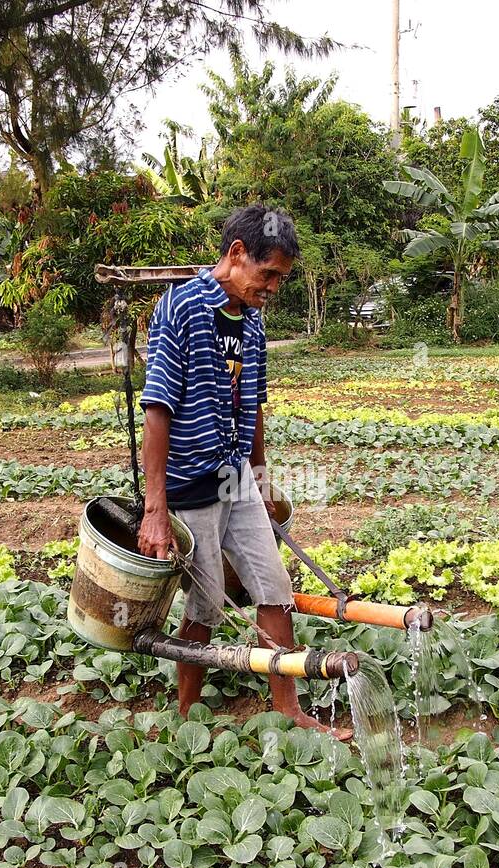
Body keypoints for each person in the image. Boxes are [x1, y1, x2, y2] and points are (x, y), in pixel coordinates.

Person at [136, 203, 352, 740]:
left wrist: (259, 474)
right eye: (268, 274)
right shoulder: (183, 307)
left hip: (237, 480)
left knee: (273, 588)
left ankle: (289, 711)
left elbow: (253, 403)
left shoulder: (251, 324)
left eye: (281, 277)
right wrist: (155, 508)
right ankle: (185, 718)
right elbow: (158, 406)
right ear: (236, 255)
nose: (273, 287)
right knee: (206, 604)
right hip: (192, 487)